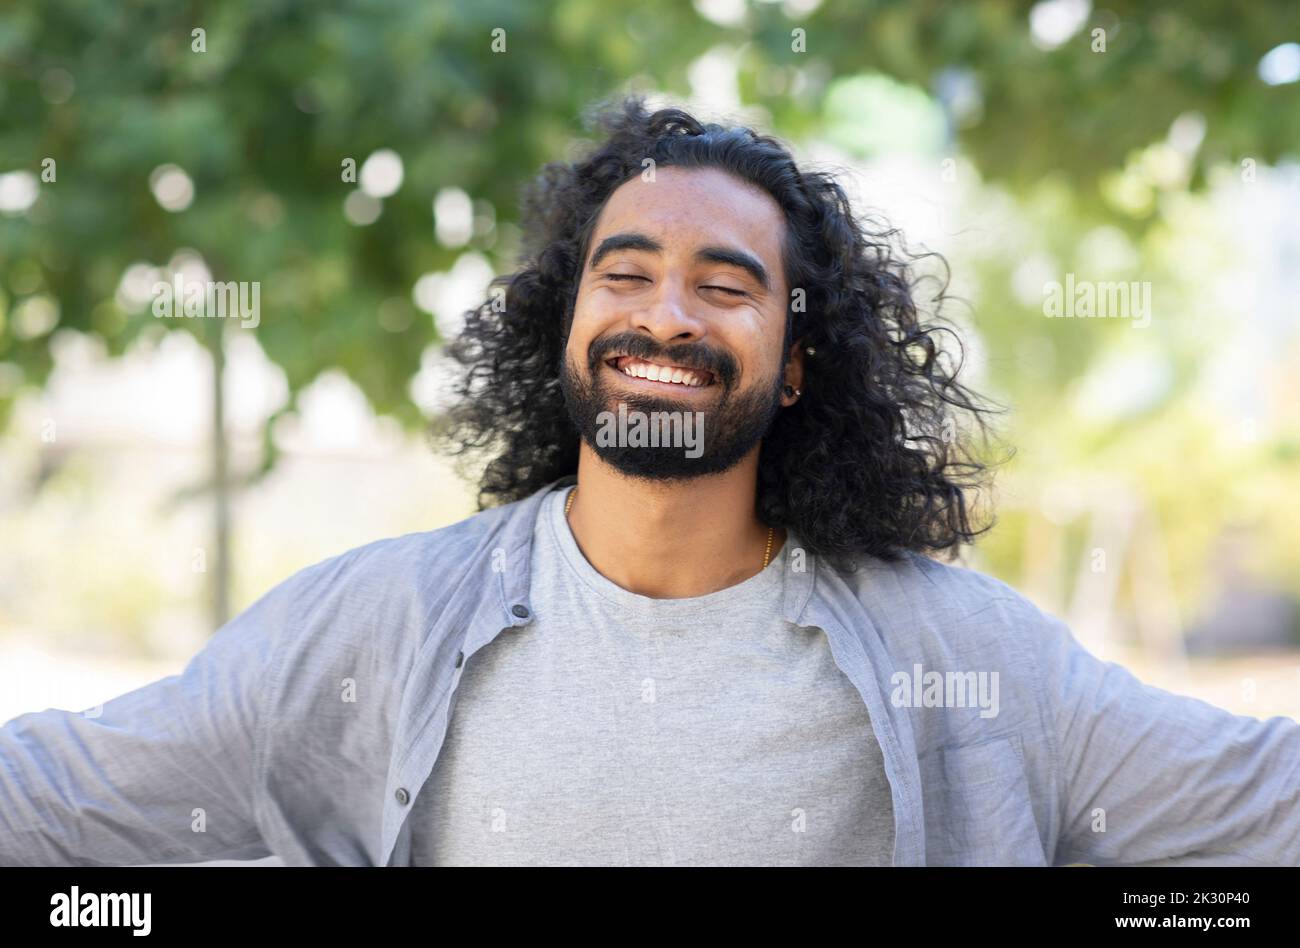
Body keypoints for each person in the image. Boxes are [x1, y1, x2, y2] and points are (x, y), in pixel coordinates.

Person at [2, 96, 1297, 866]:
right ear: (562, 327)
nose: (663, 315)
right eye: (621, 274)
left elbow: (1253, 806)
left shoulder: (963, 656)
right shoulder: (378, 625)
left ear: (796, 364)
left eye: (726, 285)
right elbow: (70, 795)